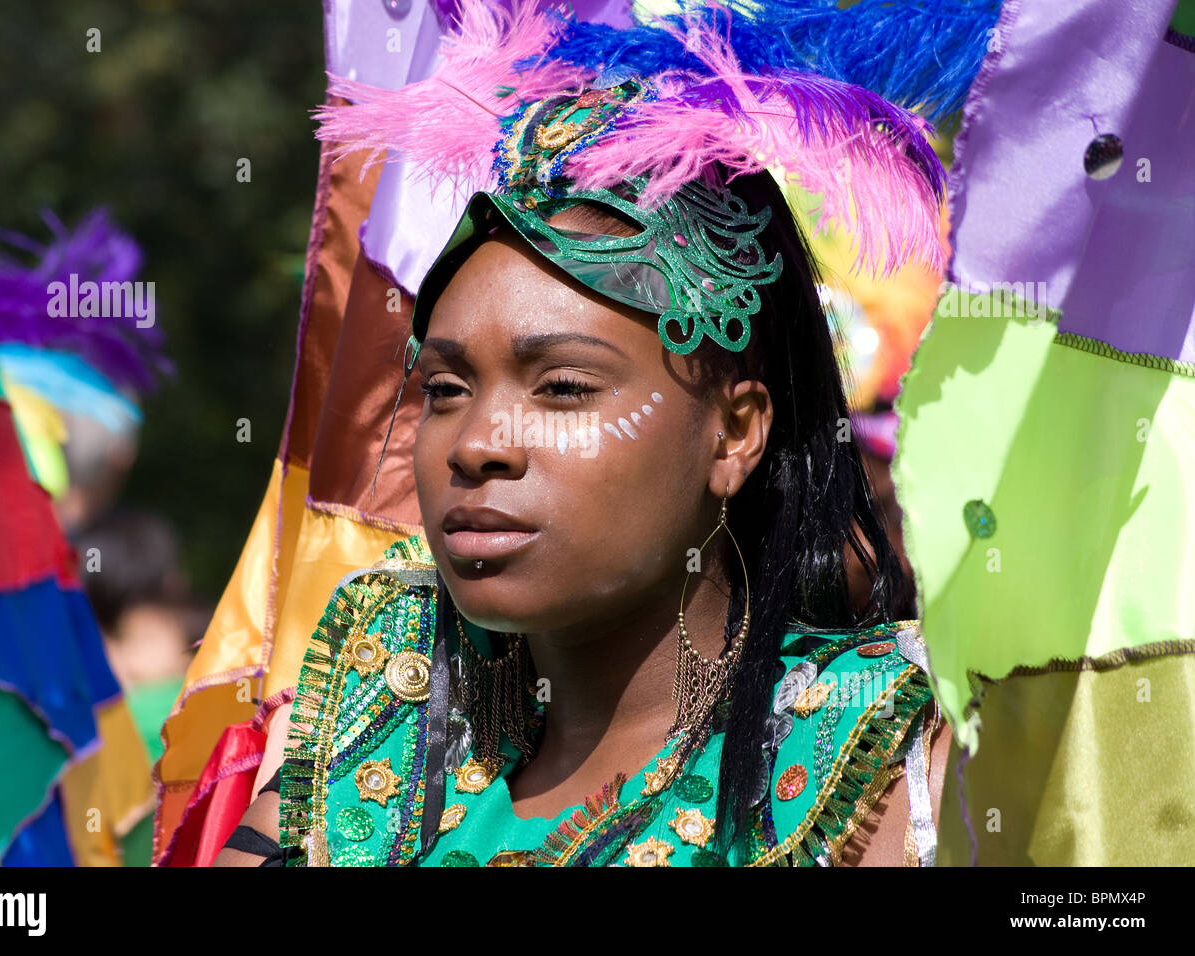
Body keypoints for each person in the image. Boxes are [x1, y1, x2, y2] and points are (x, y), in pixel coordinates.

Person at [214, 2, 953, 866]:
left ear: (734, 435)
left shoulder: (887, 769)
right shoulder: (374, 724)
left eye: (563, 387)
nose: (476, 444)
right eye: (445, 387)